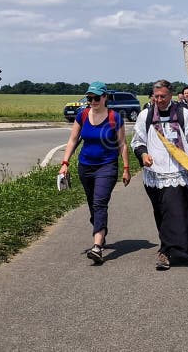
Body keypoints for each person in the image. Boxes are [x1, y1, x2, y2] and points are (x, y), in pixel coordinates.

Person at [131, 79, 188, 270]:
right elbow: (137, 141)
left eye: (163, 96)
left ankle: (166, 252)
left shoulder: (183, 114)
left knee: (175, 211)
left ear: (171, 95)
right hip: (154, 175)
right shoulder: (146, 115)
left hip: (179, 173)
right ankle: (174, 246)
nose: (159, 100)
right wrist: (143, 155)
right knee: (161, 212)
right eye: (156, 96)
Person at [59, 81, 131, 264]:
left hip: (107, 166)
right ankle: (101, 230)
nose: (92, 101)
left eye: (96, 98)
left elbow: (122, 144)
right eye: (90, 98)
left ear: (105, 97)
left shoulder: (115, 118)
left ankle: (97, 246)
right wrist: (65, 163)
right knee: (92, 204)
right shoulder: (82, 115)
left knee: (100, 203)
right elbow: (73, 140)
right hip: (85, 166)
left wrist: (126, 169)